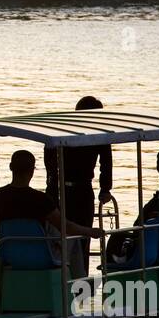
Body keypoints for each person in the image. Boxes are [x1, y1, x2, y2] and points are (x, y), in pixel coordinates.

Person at [0, 150, 103, 275]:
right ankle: (79, 286)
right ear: (32, 171)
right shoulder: (41, 200)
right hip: (41, 256)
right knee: (73, 240)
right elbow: (65, 226)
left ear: (11, 167)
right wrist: (90, 231)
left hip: (10, 256)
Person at [44, 96, 116, 259]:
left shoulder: (100, 135)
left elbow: (106, 162)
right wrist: (51, 183)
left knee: (83, 238)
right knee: (59, 235)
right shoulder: (62, 130)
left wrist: (105, 189)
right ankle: (65, 272)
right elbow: (49, 156)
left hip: (83, 189)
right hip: (61, 189)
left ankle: (80, 275)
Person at [105, 145, 159, 268]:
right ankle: (122, 256)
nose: (158, 168)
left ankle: (124, 258)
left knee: (119, 236)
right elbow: (152, 204)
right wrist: (139, 222)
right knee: (119, 234)